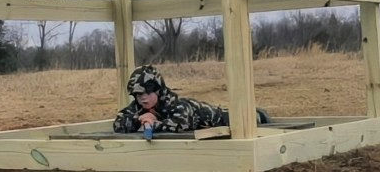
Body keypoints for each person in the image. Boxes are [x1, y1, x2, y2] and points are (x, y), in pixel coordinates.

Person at [113, 65, 270, 134]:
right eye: (138, 95)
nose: (142, 99)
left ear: (158, 90)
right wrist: (138, 119)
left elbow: (181, 124)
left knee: (246, 119)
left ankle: (258, 114)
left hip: (218, 119)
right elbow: (118, 123)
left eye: (146, 93)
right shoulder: (140, 105)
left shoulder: (176, 105)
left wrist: (154, 124)